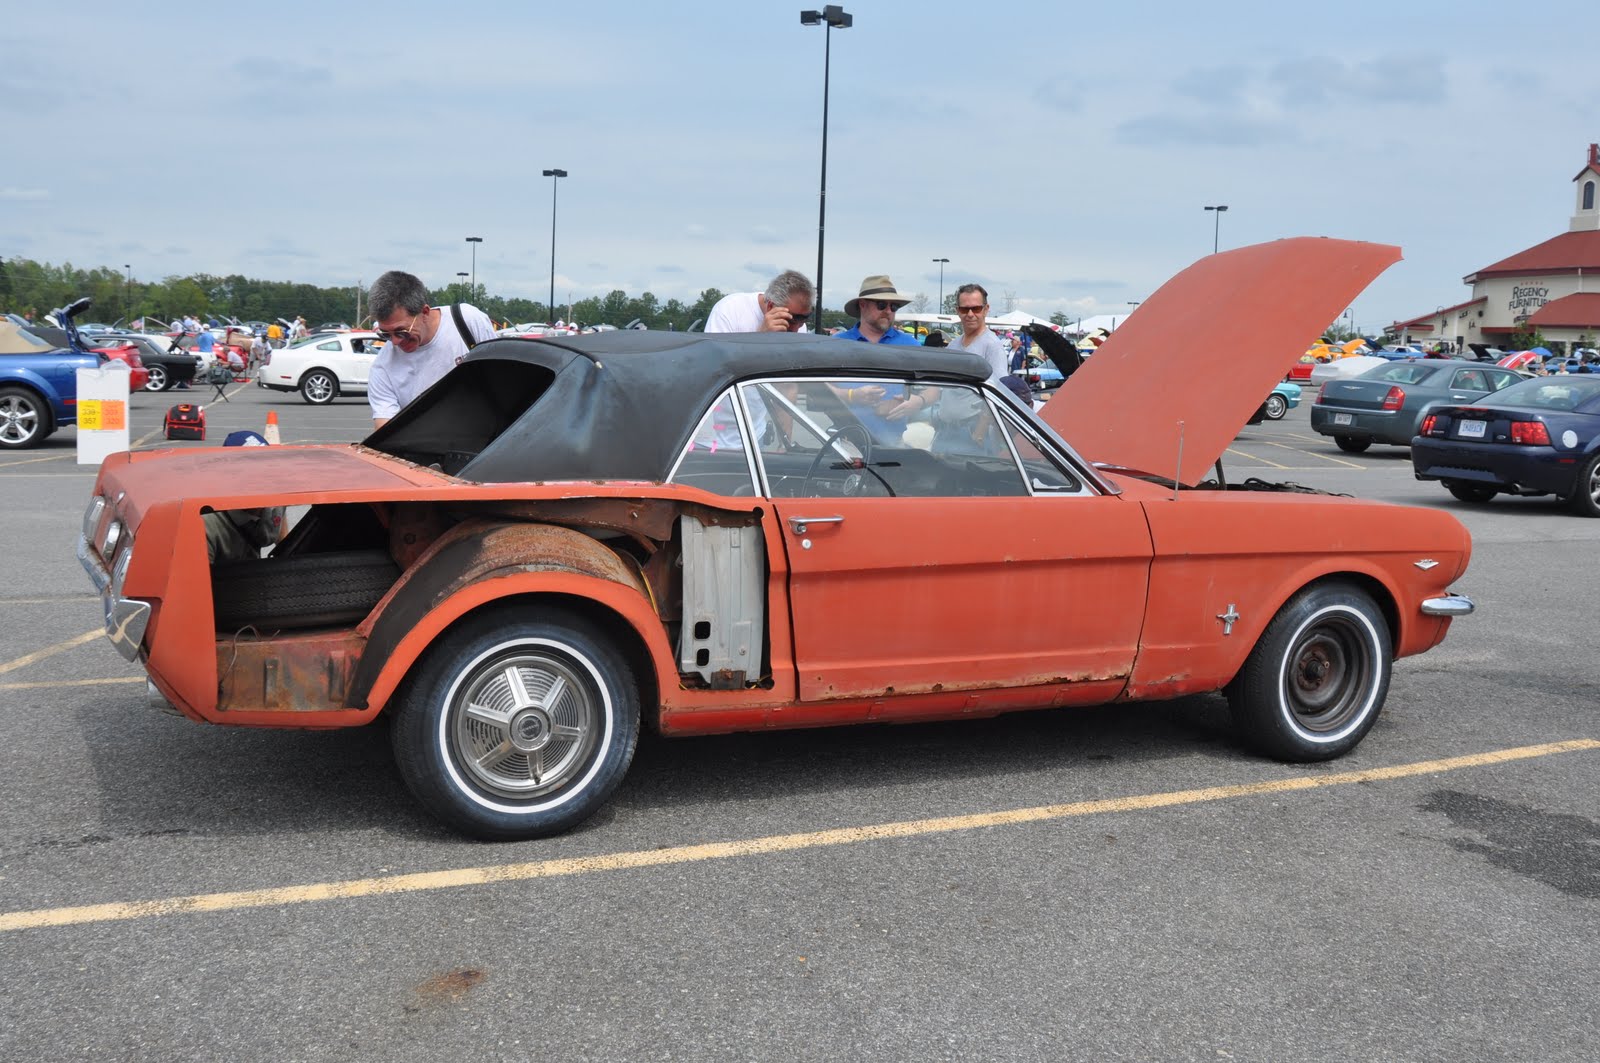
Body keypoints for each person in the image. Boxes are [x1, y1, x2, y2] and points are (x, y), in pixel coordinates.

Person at [367, 270, 496, 428]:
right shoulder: (383, 368)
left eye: (401, 332)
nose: (395, 342)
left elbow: (499, 378)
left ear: (425, 312)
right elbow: (385, 431)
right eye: (385, 334)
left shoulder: (467, 321)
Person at [704, 270, 814, 333]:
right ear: (770, 306)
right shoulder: (729, 310)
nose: (795, 329)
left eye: (804, 318)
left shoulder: (800, 326)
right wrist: (760, 338)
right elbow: (715, 361)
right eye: (791, 319)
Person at [835, 275, 919, 345]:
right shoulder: (838, 344)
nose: (888, 311)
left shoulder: (911, 345)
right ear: (862, 304)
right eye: (882, 304)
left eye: (894, 306)